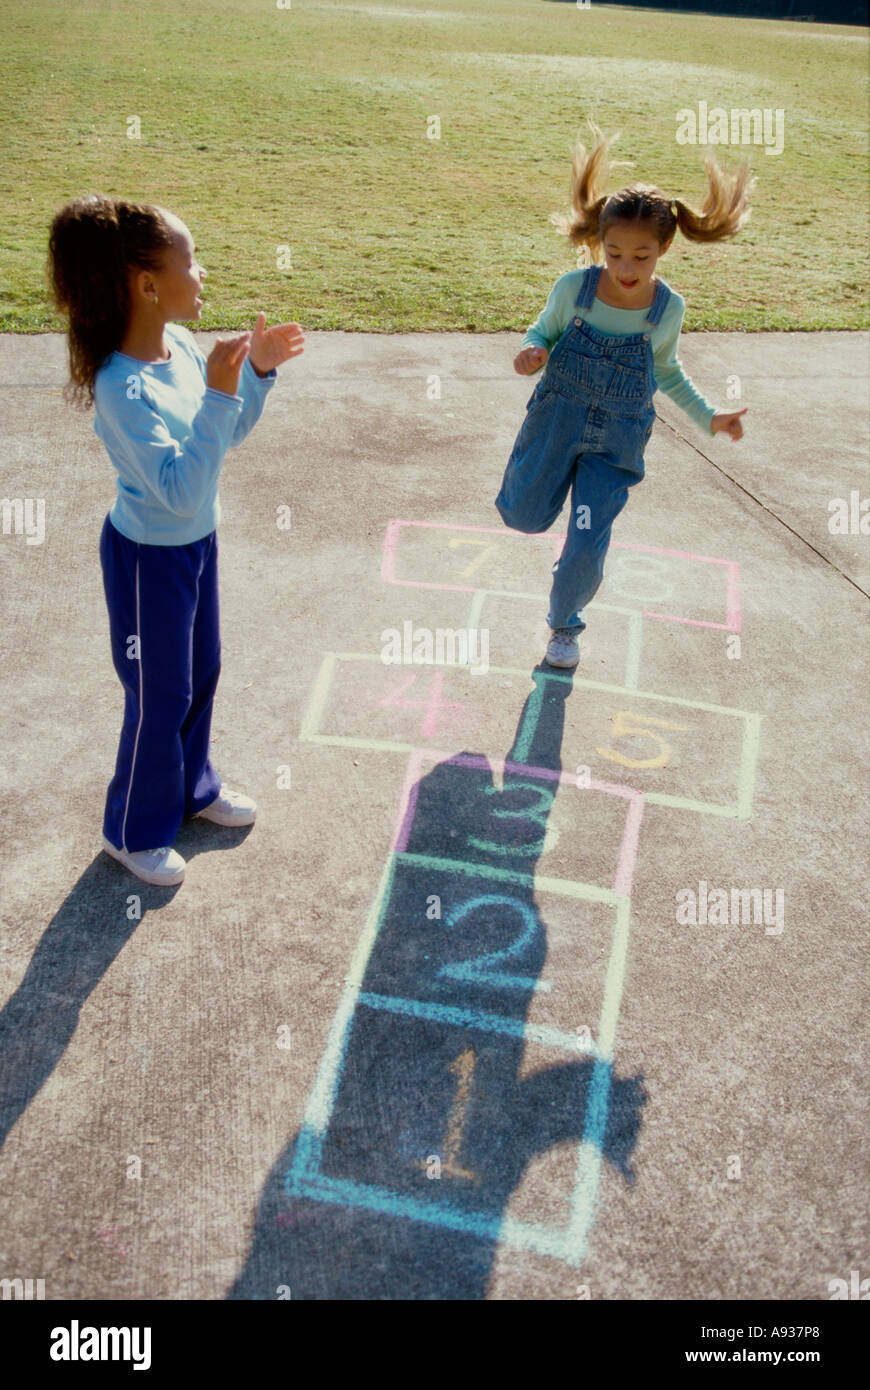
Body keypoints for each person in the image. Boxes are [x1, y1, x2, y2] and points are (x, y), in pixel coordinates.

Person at [47, 194, 304, 885]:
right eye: (192, 261)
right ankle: (131, 831)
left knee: (200, 674)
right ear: (147, 284)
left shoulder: (185, 350)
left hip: (196, 544)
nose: (204, 273)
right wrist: (221, 394)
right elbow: (181, 485)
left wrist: (253, 376)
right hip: (147, 559)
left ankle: (192, 791)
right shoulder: (121, 388)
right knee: (158, 693)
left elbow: (221, 440)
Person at [495, 128, 754, 669]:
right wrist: (530, 352)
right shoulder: (575, 290)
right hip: (556, 421)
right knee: (520, 516)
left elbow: (667, 370)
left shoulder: (667, 309)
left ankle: (565, 624)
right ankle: (564, 563)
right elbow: (540, 333)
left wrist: (711, 417)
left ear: (665, 248)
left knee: (586, 544)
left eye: (641, 255)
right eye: (614, 253)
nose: (627, 267)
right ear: (600, 245)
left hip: (617, 437)